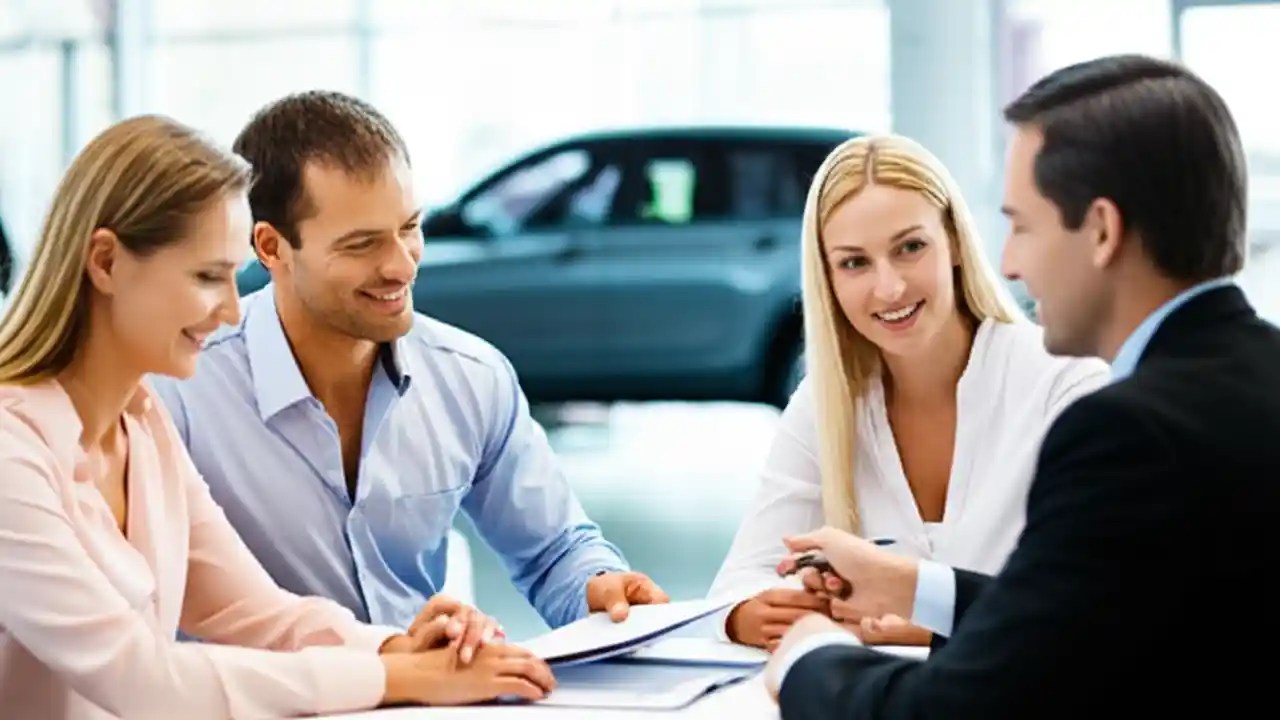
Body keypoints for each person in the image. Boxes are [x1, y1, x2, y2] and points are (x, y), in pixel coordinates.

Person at [764, 54, 1279, 719]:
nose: (1007, 260)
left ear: (1100, 231)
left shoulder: (1128, 431)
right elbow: (1094, 614)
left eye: (1023, 225)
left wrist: (810, 655)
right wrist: (916, 586)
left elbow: (962, 709)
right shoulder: (1255, 377)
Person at [0, 116, 557, 719]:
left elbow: (253, 610)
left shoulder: (143, 424)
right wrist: (391, 677)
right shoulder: (12, 449)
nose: (233, 311)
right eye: (208, 277)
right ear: (106, 263)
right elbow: (142, 677)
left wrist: (403, 648)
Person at [148, 91, 667, 637]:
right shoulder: (180, 389)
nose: (400, 265)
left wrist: (598, 584)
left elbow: (555, 549)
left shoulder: (471, 377)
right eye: (362, 244)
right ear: (271, 247)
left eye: (409, 228)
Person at [705, 133, 1108, 650]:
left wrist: (931, 621)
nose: (889, 288)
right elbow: (737, 585)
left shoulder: (1065, 385)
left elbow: (1099, 603)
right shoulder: (826, 402)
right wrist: (750, 614)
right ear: (827, 277)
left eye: (910, 248)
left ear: (956, 243)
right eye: (855, 263)